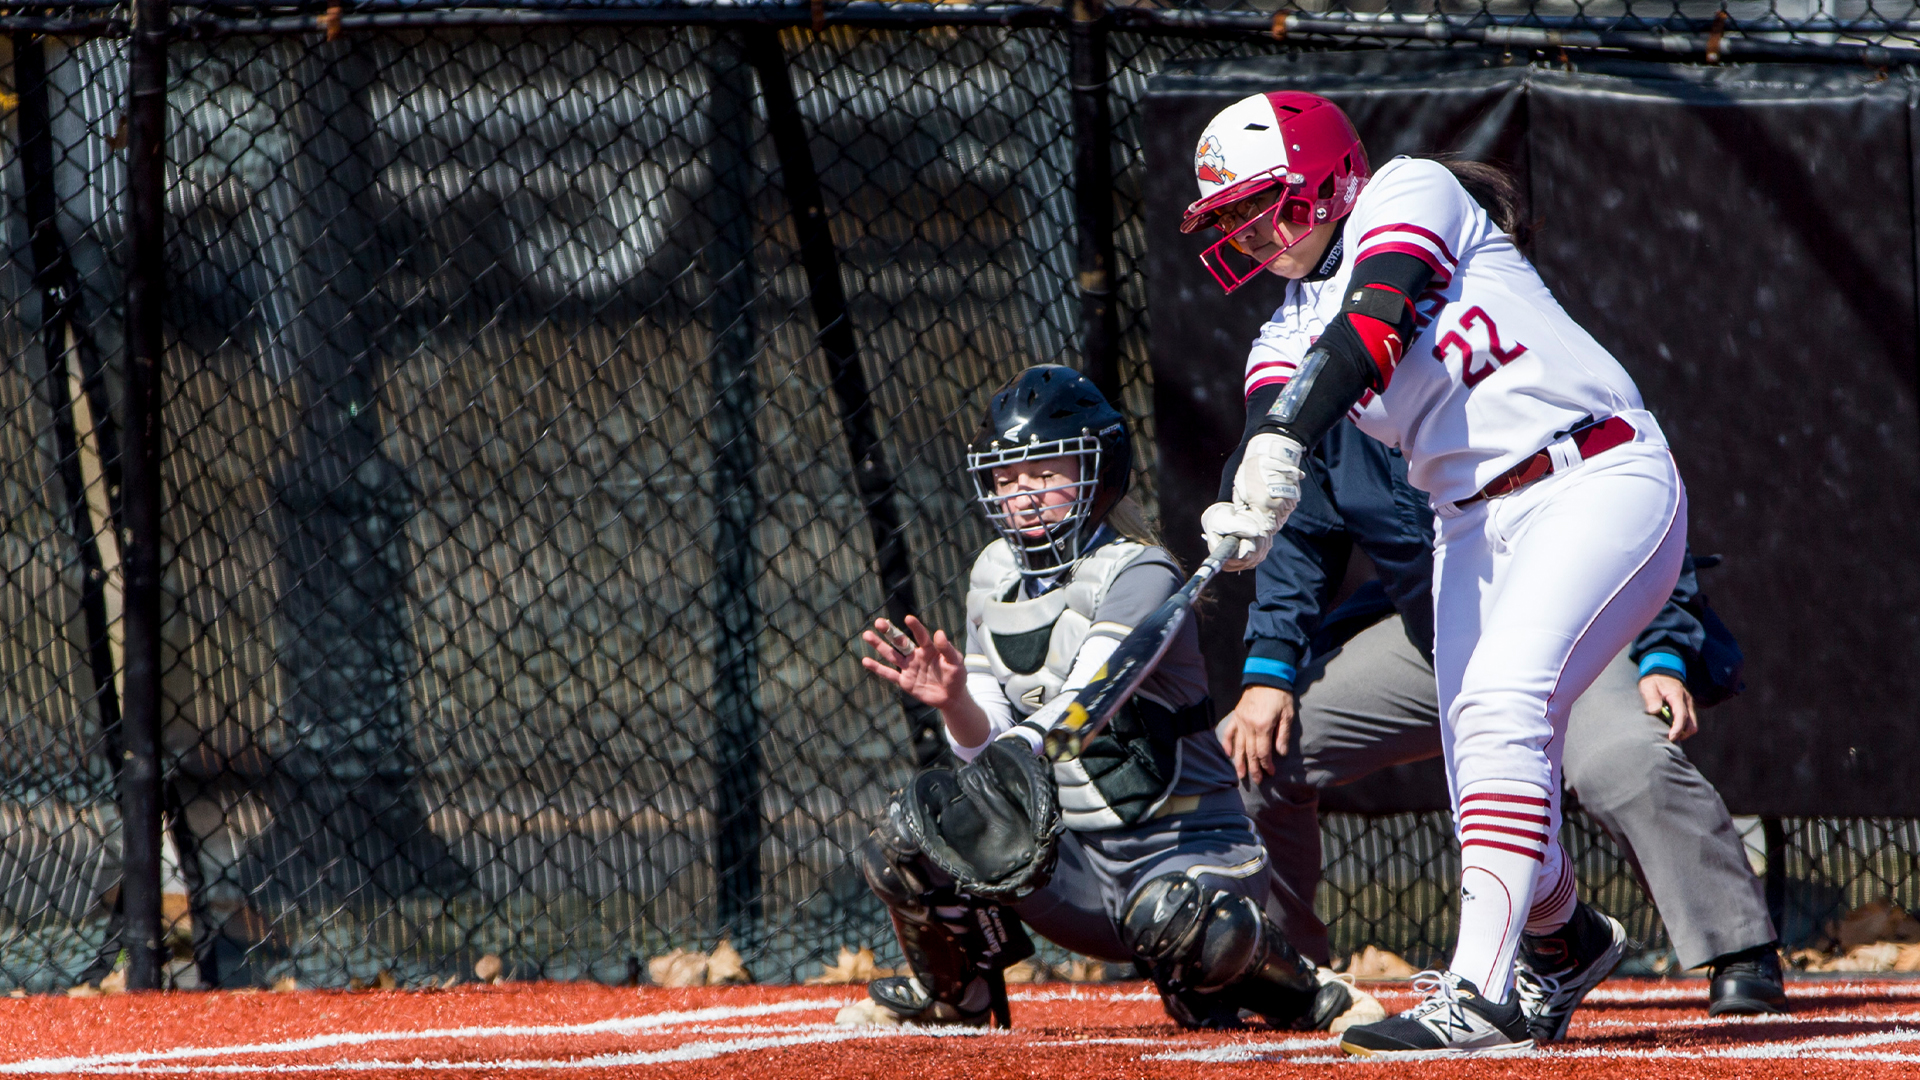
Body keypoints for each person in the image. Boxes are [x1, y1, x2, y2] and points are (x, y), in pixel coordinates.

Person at [1183, 91, 1690, 1057]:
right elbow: (1268, 416)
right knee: (1481, 765)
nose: (1249, 232)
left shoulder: (1407, 190)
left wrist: (1286, 434)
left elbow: (1372, 321)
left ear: (1327, 178)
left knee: (1501, 706)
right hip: (1468, 524)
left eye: (1261, 205)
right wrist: (1245, 497)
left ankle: (1480, 994)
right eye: (1231, 218)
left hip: (1592, 470)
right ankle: (1564, 941)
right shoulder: (1282, 330)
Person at [838, 365, 1381, 1033]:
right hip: (1076, 876)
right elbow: (988, 750)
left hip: (1187, 857)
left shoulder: (1140, 570)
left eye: (1044, 473)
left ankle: (1307, 991)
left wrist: (1015, 745)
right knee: (908, 836)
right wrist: (954, 701)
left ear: (1097, 473)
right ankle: (957, 999)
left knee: (1180, 925)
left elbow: (1088, 698)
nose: (1022, 496)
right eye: (1007, 479)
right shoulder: (992, 574)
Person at [1218, 418, 1786, 1041]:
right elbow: (1298, 541)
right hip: (1441, 639)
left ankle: (1738, 949)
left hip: (1566, 631)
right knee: (1254, 751)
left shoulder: (1503, 375)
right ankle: (1287, 976)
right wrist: (1268, 670)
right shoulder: (1336, 407)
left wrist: (1664, 649)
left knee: (1622, 761)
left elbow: (1634, 497)